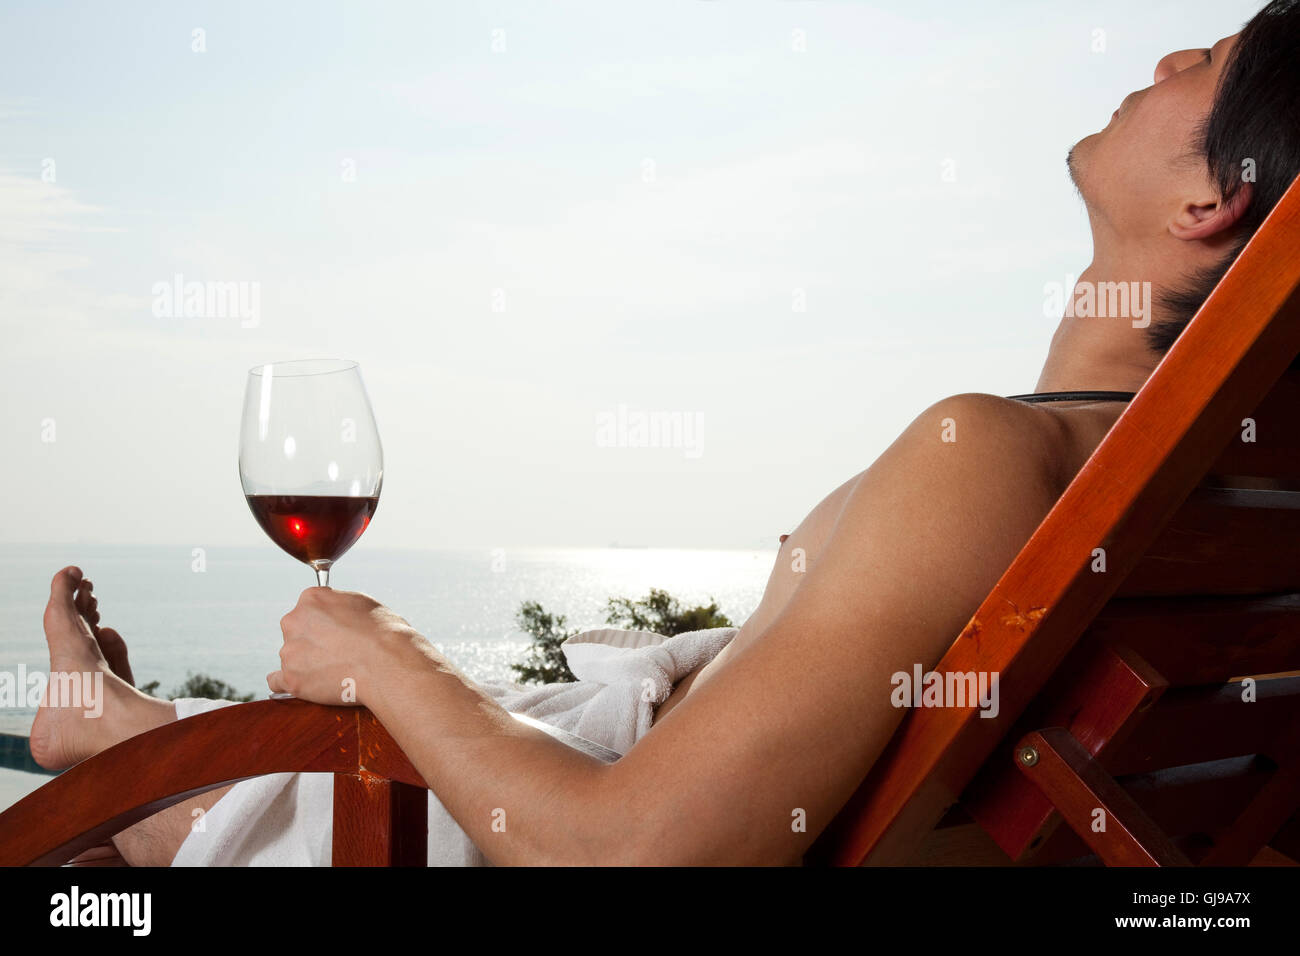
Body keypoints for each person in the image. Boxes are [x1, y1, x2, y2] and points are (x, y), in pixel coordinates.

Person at [29, 1, 1300, 865]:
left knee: (122, 835)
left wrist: (387, 655)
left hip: (567, 823)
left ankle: (109, 738)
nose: (1162, 62)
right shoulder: (1226, 493)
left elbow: (633, 851)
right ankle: (112, 723)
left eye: (1202, 65)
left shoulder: (988, 454)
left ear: (1212, 199)